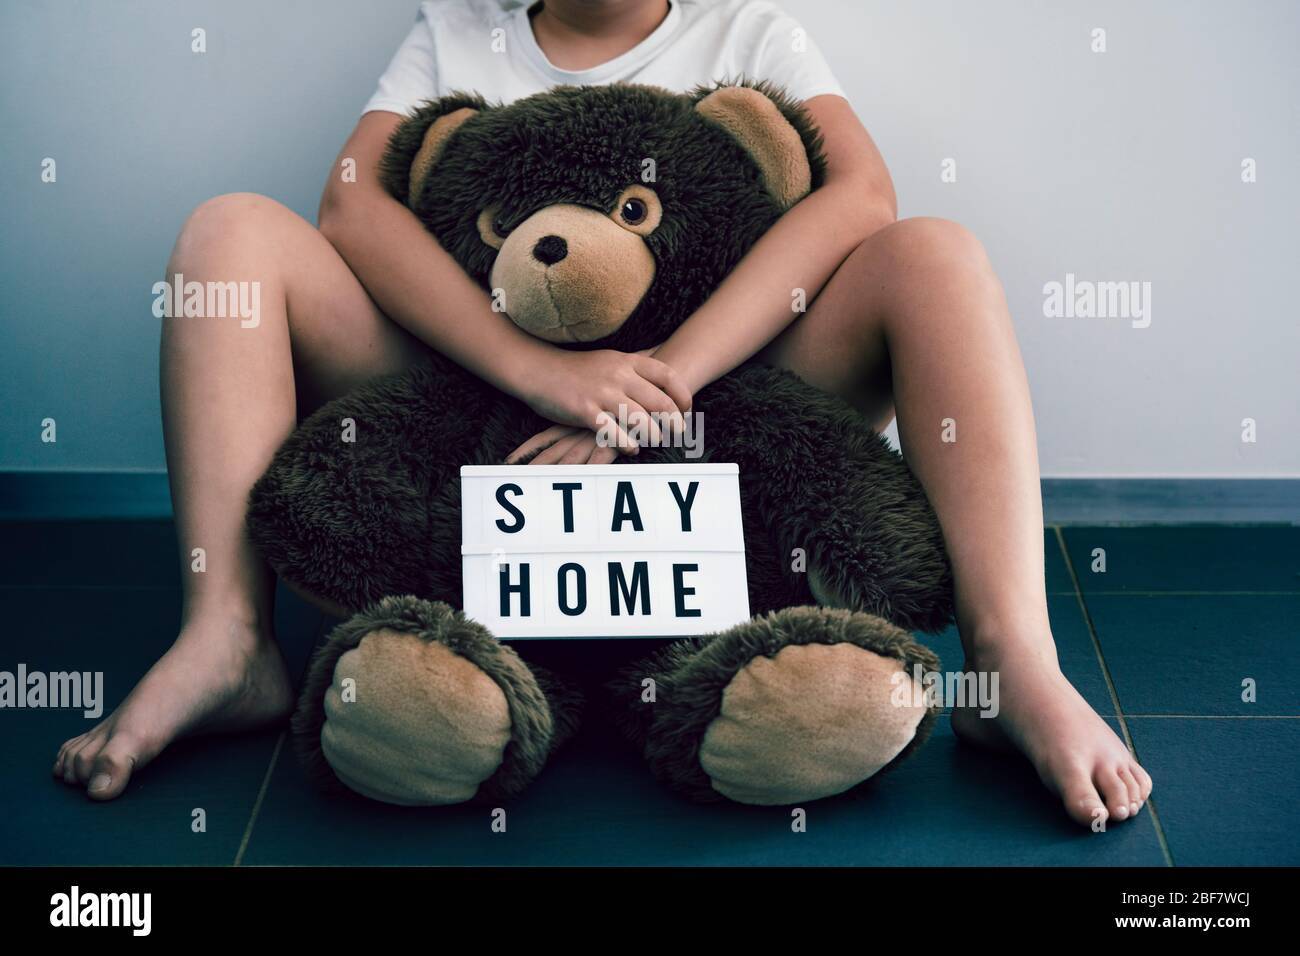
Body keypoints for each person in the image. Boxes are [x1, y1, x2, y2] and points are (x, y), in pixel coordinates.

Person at [54, 0, 1152, 827]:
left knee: (935, 256)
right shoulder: (458, 28)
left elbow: (861, 194)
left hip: (726, 394)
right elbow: (352, 203)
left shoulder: (747, 27)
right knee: (227, 238)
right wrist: (539, 372)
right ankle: (227, 638)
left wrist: (667, 375)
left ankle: (1012, 656)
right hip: (485, 409)